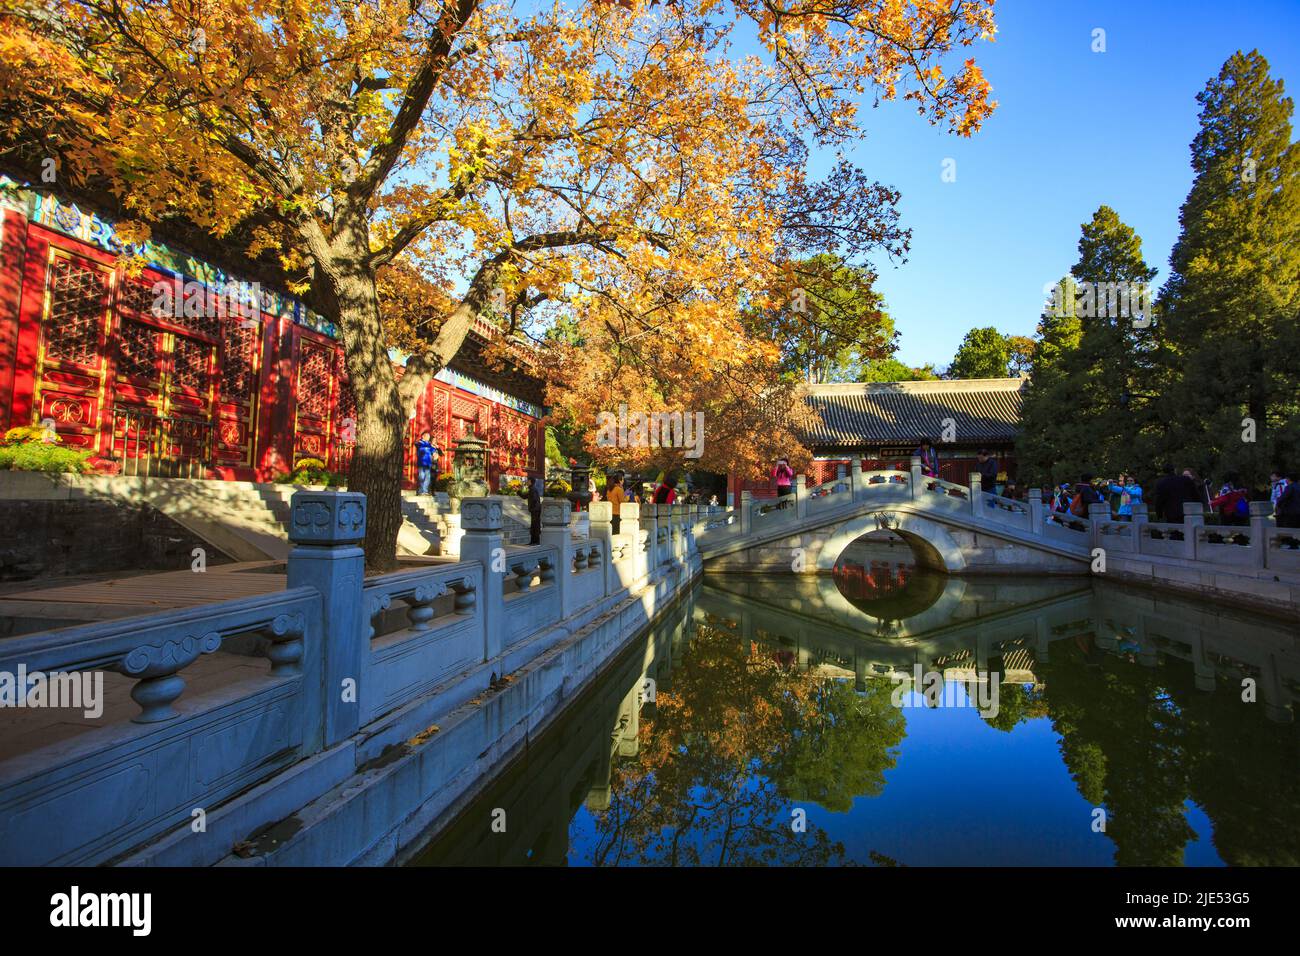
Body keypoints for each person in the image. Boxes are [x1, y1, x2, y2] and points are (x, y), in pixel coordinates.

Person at [415, 430, 439, 496]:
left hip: (428, 463)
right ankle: (420, 490)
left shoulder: (429, 444)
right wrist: (428, 448)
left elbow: (433, 450)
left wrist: (434, 453)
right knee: (421, 477)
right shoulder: (419, 443)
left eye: (429, 436)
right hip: (421, 463)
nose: (428, 438)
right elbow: (420, 448)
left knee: (427, 477)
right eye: (427, 436)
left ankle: (425, 491)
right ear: (423, 436)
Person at [527, 476, 543, 545]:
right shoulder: (532, 489)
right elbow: (525, 496)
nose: (527, 482)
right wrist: (518, 492)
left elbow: (534, 499)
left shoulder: (533, 489)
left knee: (535, 525)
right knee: (534, 525)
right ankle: (533, 541)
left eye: (528, 481)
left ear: (530, 481)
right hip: (535, 509)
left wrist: (532, 507)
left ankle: (536, 541)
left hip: (535, 510)